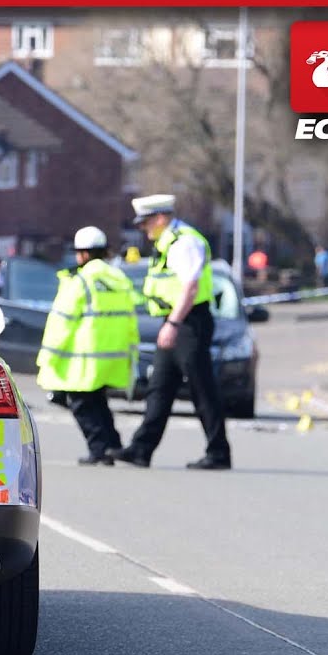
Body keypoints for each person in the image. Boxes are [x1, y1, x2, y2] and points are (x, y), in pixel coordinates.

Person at [111, 194, 232, 470]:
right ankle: (141, 449)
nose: (144, 229)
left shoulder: (184, 242)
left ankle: (218, 452)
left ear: (161, 218)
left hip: (189, 322)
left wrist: (174, 324)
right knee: (160, 388)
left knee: (202, 388)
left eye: (146, 223)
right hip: (177, 321)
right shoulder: (169, 242)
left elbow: (190, 288)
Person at [35, 226, 140, 466]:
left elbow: (61, 322)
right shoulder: (119, 278)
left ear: (83, 254)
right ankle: (113, 445)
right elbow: (130, 318)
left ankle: (99, 450)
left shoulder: (80, 281)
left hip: (83, 359)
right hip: (111, 356)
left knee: (82, 404)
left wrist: (48, 356)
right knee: (99, 403)